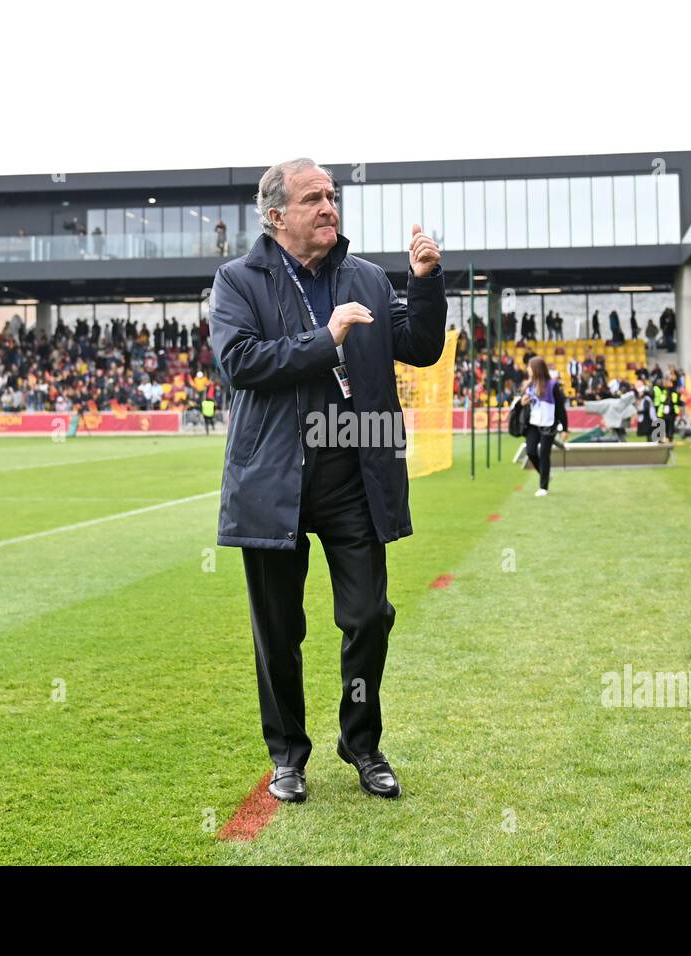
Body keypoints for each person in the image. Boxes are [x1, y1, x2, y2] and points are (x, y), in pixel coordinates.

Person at [210, 158, 446, 804]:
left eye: (332, 195)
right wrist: (326, 338)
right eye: (313, 197)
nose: (328, 206)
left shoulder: (366, 278)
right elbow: (239, 363)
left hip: (353, 475)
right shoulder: (238, 281)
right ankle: (288, 756)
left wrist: (424, 283)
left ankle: (361, 743)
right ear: (276, 215)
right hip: (273, 479)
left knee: (370, 615)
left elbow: (420, 345)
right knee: (278, 633)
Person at [519, 356, 568, 496]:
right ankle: (544, 474)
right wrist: (523, 402)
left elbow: (560, 408)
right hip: (533, 423)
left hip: (549, 424)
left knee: (544, 454)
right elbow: (522, 402)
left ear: (536, 369)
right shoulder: (529, 385)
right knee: (530, 451)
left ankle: (543, 486)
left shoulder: (552, 385)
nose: (528, 369)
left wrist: (564, 428)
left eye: (530, 366)